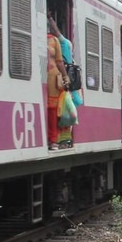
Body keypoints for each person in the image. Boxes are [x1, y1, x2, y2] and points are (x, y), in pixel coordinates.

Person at [47, 14, 78, 149]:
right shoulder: (55, 41)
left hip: (52, 79)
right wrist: (66, 79)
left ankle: (55, 139)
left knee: (54, 110)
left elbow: (60, 61)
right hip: (53, 78)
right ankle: (55, 140)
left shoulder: (59, 41)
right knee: (55, 110)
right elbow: (59, 62)